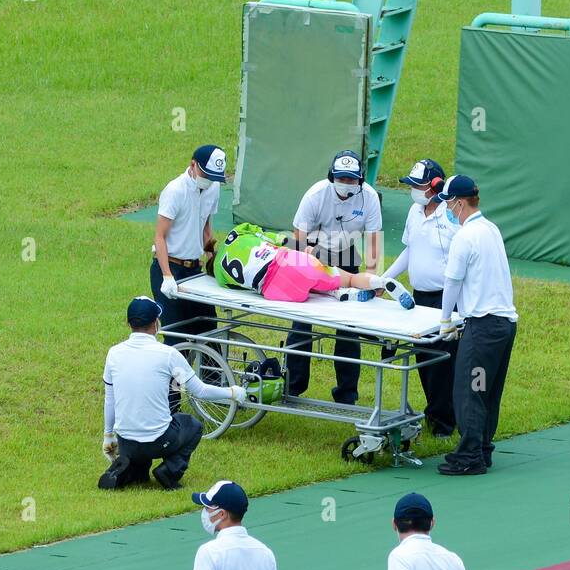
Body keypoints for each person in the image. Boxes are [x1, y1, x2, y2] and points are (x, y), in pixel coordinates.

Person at [100, 297, 245, 491]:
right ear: (155, 323)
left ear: (129, 324)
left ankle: (131, 469)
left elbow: (110, 399)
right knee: (191, 425)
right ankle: (168, 471)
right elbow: (200, 391)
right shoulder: (168, 354)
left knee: (139, 467)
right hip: (159, 441)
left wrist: (108, 435)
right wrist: (232, 392)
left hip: (126, 441)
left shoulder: (114, 353)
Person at [434, 175, 518, 476]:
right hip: (503, 326)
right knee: (487, 391)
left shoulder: (465, 237)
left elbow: (452, 283)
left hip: (483, 328)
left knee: (469, 391)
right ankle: (482, 449)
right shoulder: (490, 229)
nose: (446, 209)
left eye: (447, 203)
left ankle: (469, 455)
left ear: (458, 202)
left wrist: (445, 321)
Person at [286, 150, 384, 405]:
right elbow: (297, 237)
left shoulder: (370, 198)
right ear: (332, 177)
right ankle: (293, 386)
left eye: (352, 180)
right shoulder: (316, 195)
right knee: (301, 321)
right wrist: (304, 266)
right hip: (312, 254)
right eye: (342, 178)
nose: (347, 184)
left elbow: (374, 240)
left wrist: (372, 278)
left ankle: (347, 393)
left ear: (360, 180)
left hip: (347, 253)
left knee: (348, 326)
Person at [383, 159, 458, 437]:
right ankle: (437, 414)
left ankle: (444, 422)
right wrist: (385, 280)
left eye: (420, 185)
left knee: (442, 362)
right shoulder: (415, 211)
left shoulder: (451, 216)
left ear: (437, 185)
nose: (414, 190)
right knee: (424, 360)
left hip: (446, 299)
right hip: (420, 297)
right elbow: (409, 251)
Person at [152, 145, 227, 407]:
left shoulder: (213, 187)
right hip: (171, 266)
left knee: (207, 327)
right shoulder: (175, 190)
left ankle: (214, 393)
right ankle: (172, 401)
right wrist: (166, 275)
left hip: (194, 268)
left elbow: (206, 223)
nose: (209, 182)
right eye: (205, 175)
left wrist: (210, 251)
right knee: (176, 336)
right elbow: (159, 237)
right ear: (193, 165)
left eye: (214, 178)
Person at [210, 222, 414, 306]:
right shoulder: (238, 231)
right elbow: (279, 239)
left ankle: (339, 294)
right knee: (349, 277)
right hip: (290, 262)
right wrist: (308, 251)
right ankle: (381, 281)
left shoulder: (221, 276)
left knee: (308, 289)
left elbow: (243, 289)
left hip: (275, 291)